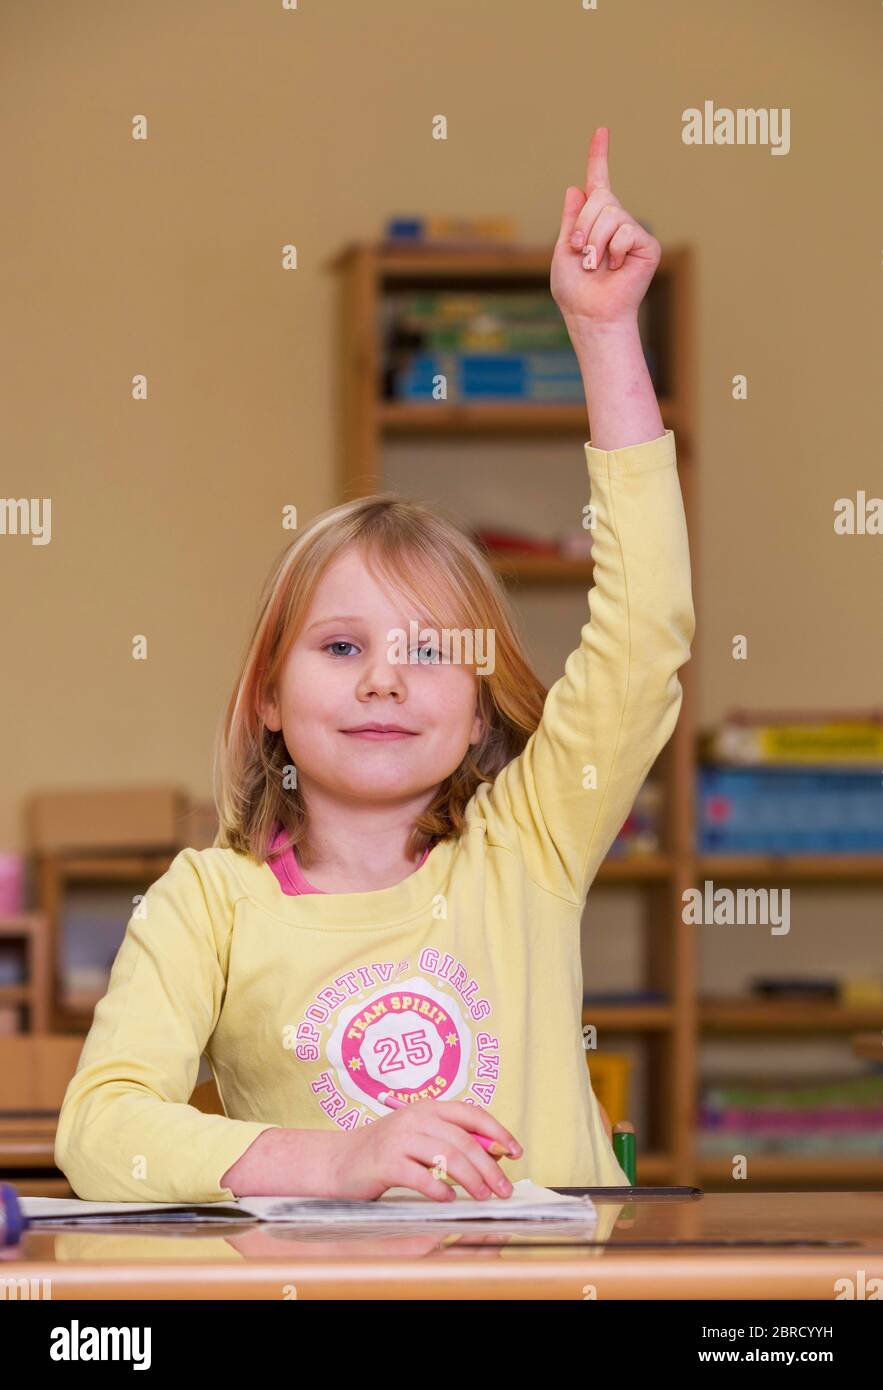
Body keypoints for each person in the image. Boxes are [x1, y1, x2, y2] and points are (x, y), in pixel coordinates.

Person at [55, 128, 695, 1204]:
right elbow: (100, 1131)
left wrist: (603, 337)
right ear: (266, 693)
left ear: (482, 706)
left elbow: (643, 635)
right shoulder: (207, 902)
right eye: (342, 646)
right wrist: (335, 1159)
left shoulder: (527, 845)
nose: (385, 680)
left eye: (432, 652)